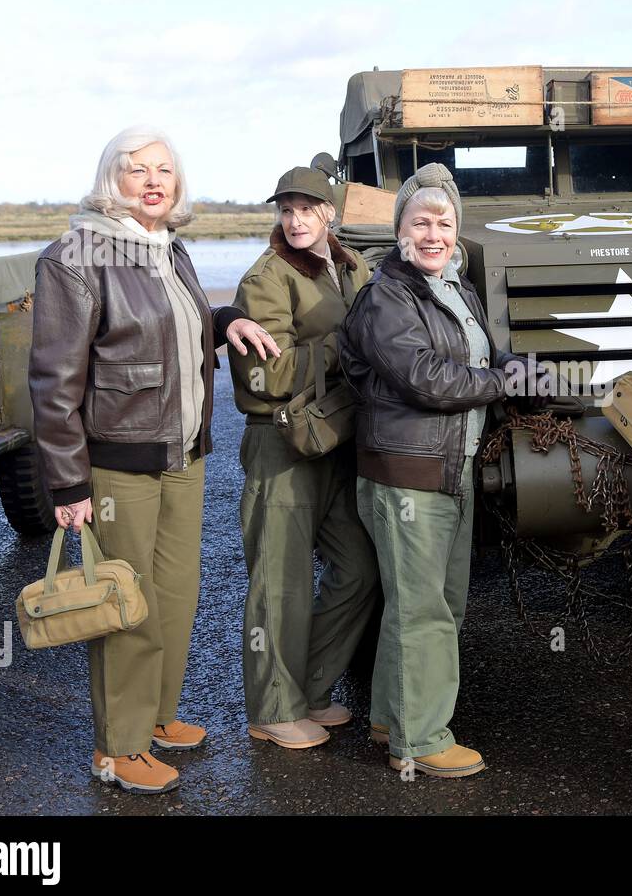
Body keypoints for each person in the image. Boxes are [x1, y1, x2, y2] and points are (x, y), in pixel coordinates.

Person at [29, 125, 278, 794]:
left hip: (183, 452)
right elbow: (54, 382)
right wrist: (67, 481)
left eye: (163, 169)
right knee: (126, 604)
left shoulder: (169, 248)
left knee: (175, 595)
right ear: (111, 180)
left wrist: (225, 318)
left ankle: (157, 718)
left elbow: (176, 323)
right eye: (136, 169)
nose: (152, 180)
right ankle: (118, 749)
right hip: (117, 462)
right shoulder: (75, 255)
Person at [341, 162, 536, 778]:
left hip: (447, 470)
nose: (434, 234)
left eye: (444, 223)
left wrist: (518, 366)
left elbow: (476, 348)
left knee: (432, 605)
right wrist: (498, 382)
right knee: (422, 610)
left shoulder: (453, 286)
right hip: (409, 474)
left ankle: (388, 718)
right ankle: (420, 741)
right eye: (420, 221)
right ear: (400, 228)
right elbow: (426, 378)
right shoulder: (386, 296)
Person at [228, 166, 379, 749]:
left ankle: (309, 689)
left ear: (330, 213)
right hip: (281, 443)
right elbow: (268, 373)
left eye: (306, 210)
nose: (293, 221)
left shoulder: (352, 267)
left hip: (335, 439)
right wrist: (347, 346)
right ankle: (272, 708)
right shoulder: (267, 278)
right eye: (285, 210)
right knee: (278, 582)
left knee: (360, 569)